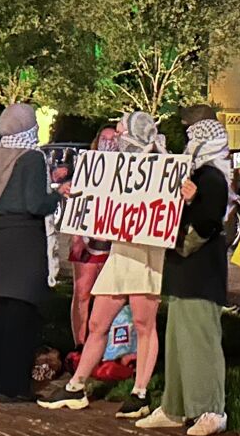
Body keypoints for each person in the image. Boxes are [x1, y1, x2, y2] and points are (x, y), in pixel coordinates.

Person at [43, 113, 172, 413]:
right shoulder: (115, 167)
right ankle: (76, 386)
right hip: (119, 252)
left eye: (122, 130)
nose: (117, 136)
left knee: (144, 323)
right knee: (98, 322)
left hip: (144, 253)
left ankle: (140, 393)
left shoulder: (160, 166)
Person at [137, 107, 232, 436]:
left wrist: (182, 238)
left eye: (192, 129)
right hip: (183, 270)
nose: (188, 136)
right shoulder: (195, 173)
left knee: (201, 340)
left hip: (201, 271)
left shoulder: (212, 175)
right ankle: (175, 407)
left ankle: (211, 409)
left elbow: (208, 222)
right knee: (178, 341)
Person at [0, 103, 59, 403]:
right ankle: (12, 385)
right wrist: (58, 195)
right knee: (21, 310)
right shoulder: (31, 157)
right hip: (23, 237)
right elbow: (35, 203)